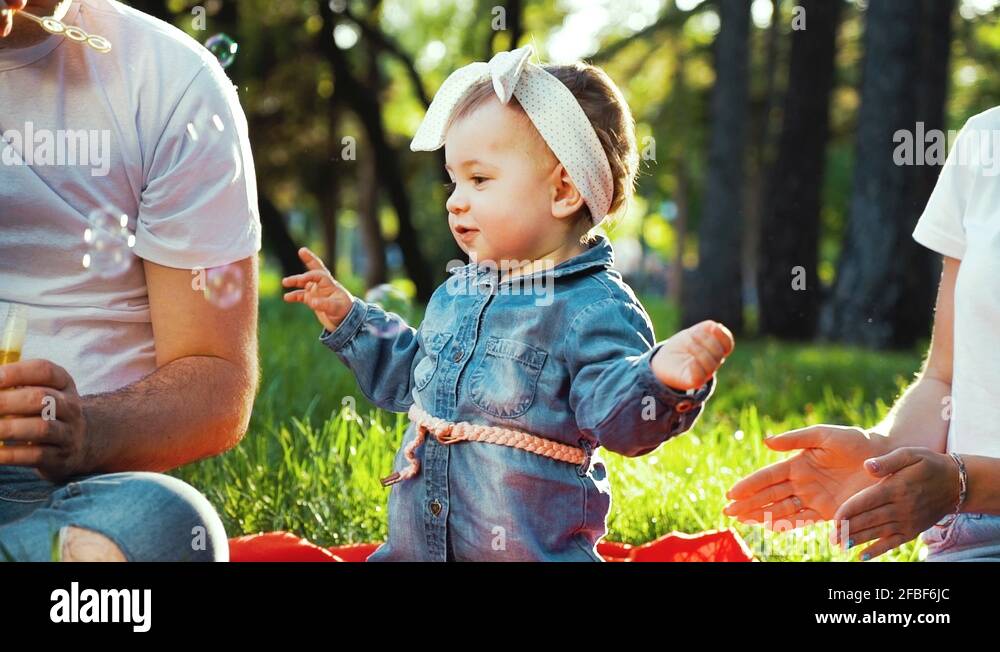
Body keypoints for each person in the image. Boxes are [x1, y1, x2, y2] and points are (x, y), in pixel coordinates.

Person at [281, 45, 735, 561]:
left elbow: (619, 420)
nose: (454, 199)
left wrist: (661, 379)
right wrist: (351, 321)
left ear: (563, 190)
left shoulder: (593, 309)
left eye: (479, 179)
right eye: (453, 180)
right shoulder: (457, 292)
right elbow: (411, 378)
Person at [0, 0, 261, 560]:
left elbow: (218, 385)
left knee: (165, 525)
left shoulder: (169, 78)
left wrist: (82, 431)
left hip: (71, 491)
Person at [725, 107, 1000, 562]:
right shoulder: (985, 137)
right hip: (967, 533)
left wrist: (962, 483)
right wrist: (884, 453)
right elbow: (944, 377)